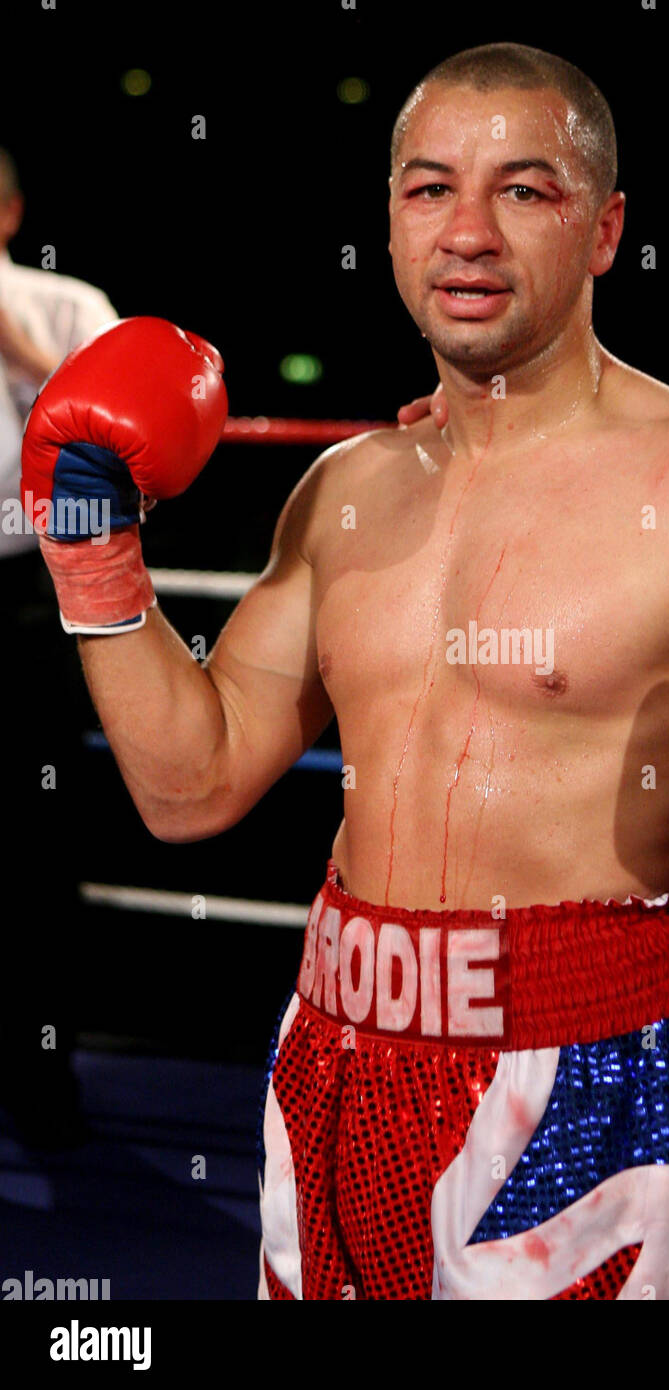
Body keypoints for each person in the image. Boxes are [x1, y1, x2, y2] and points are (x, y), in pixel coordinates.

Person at [18, 43, 669, 1299]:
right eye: (429, 190)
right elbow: (188, 787)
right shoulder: (344, 492)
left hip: (596, 1078)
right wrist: (94, 555)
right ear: (388, 219)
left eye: (523, 192)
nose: (467, 233)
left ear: (606, 228)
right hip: (336, 1052)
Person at [0, 146, 117, 1146]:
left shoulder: (70, 304)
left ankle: (42, 1084)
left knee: (37, 845)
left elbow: (131, 437)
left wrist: (18, 346)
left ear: (9, 213)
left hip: (33, 592)